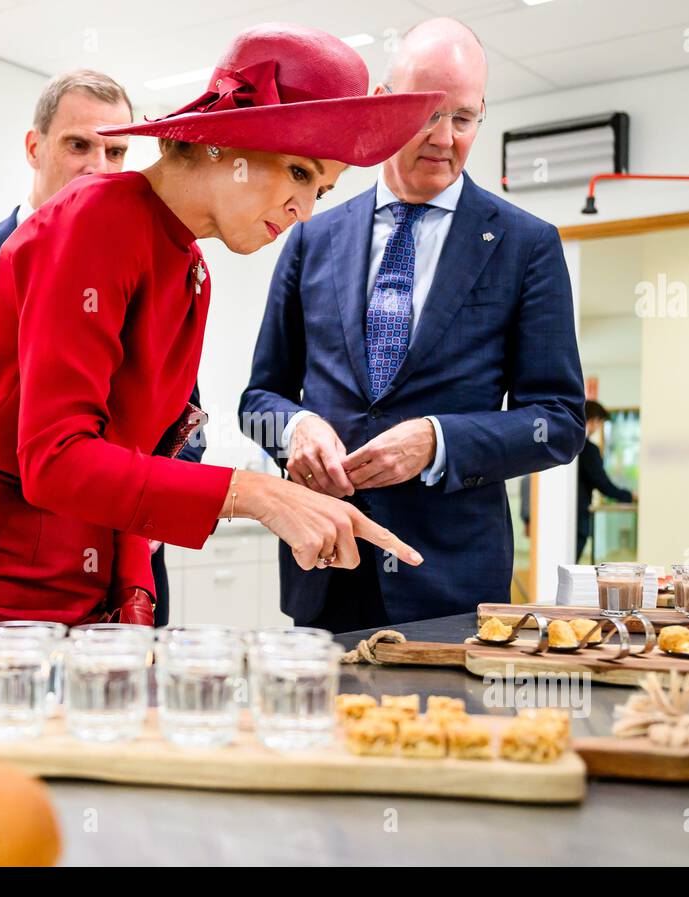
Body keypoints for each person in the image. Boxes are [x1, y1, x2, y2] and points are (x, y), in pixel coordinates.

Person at [0, 22, 440, 707]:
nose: (304, 208)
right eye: (298, 171)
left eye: (323, 188)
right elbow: (56, 459)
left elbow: (135, 456)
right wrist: (258, 494)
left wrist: (133, 602)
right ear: (224, 138)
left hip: (84, 579)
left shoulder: (190, 268)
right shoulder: (94, 217)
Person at [239, 18, 586, 632]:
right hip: (325, 564)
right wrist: (293, 429)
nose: (445, 138)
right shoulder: (311, 236)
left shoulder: (525, 245)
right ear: (381, 104)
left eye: (465, 118)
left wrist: (439, 440)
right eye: (428, 113)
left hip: (450, 581)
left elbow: (556, 421)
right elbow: (258, 399)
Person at [0, 69, 203, 628]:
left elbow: (181, 425)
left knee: (126, 712)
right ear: (35, 148)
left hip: (125, 556)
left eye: (116, 151)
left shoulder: (166, 270)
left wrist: (151, 510)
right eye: (78, 146)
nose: (97, 168)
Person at [577, 399, 635, 561]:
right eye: (600, 423)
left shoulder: (571, 446)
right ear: (594, 420)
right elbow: (602, 483)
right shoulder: (588, 449)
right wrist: (629, 496)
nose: (598, 428)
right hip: (578, 516)